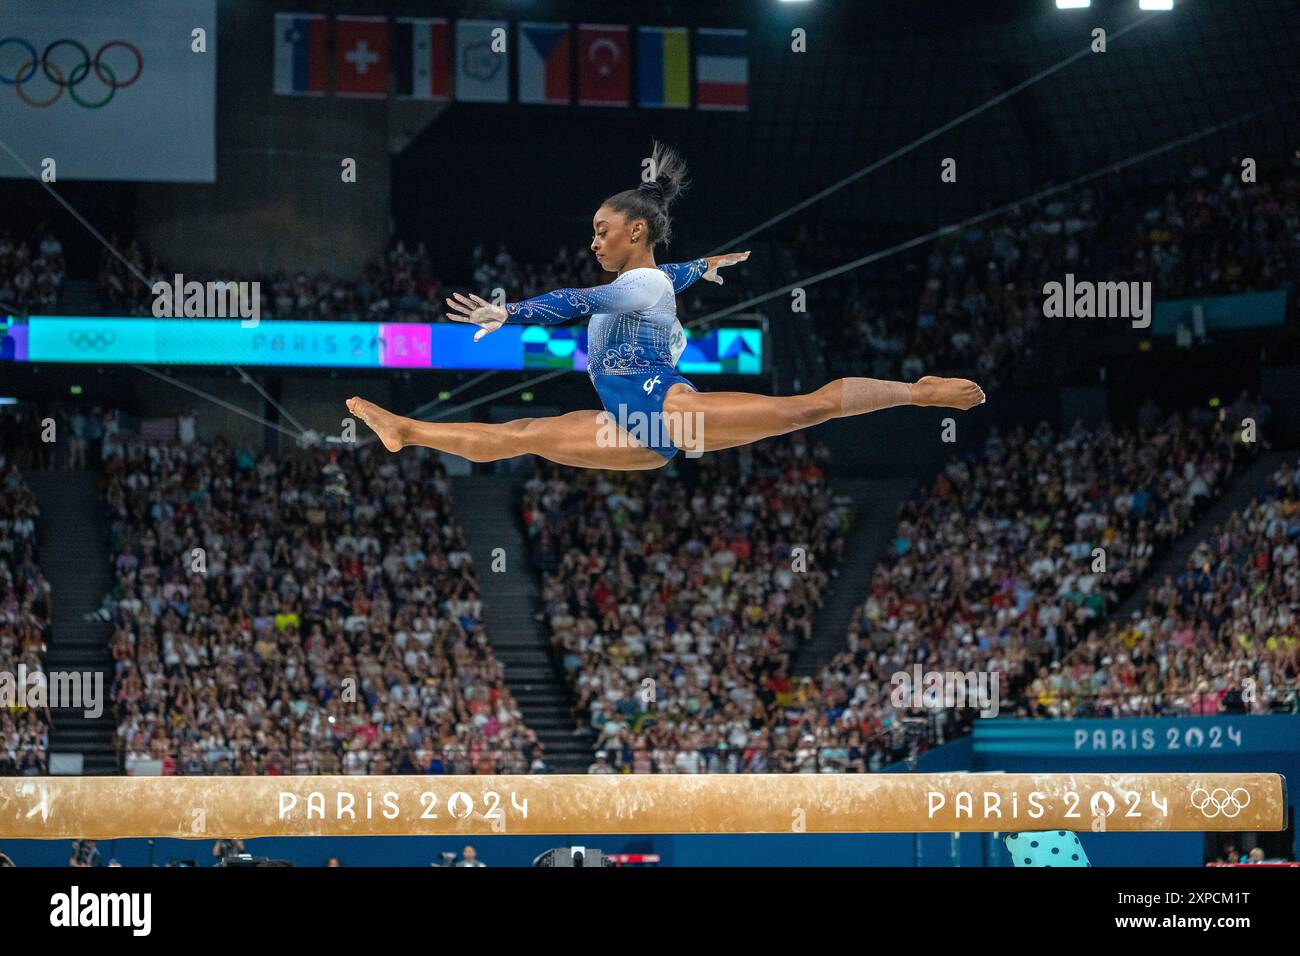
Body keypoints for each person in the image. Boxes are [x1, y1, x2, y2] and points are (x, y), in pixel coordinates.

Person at [348, 141, 983, 470]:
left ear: (637, 233)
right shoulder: (657, 280)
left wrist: (508, 313)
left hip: (668, 413)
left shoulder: (639, 286)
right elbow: (664, 277)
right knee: (522, 436)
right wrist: (701, 266)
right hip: (635, 430)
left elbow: (576, 299)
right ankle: (406, 432)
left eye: (603, 229)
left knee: (804, 407)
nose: (593, 240)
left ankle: (915, 392)